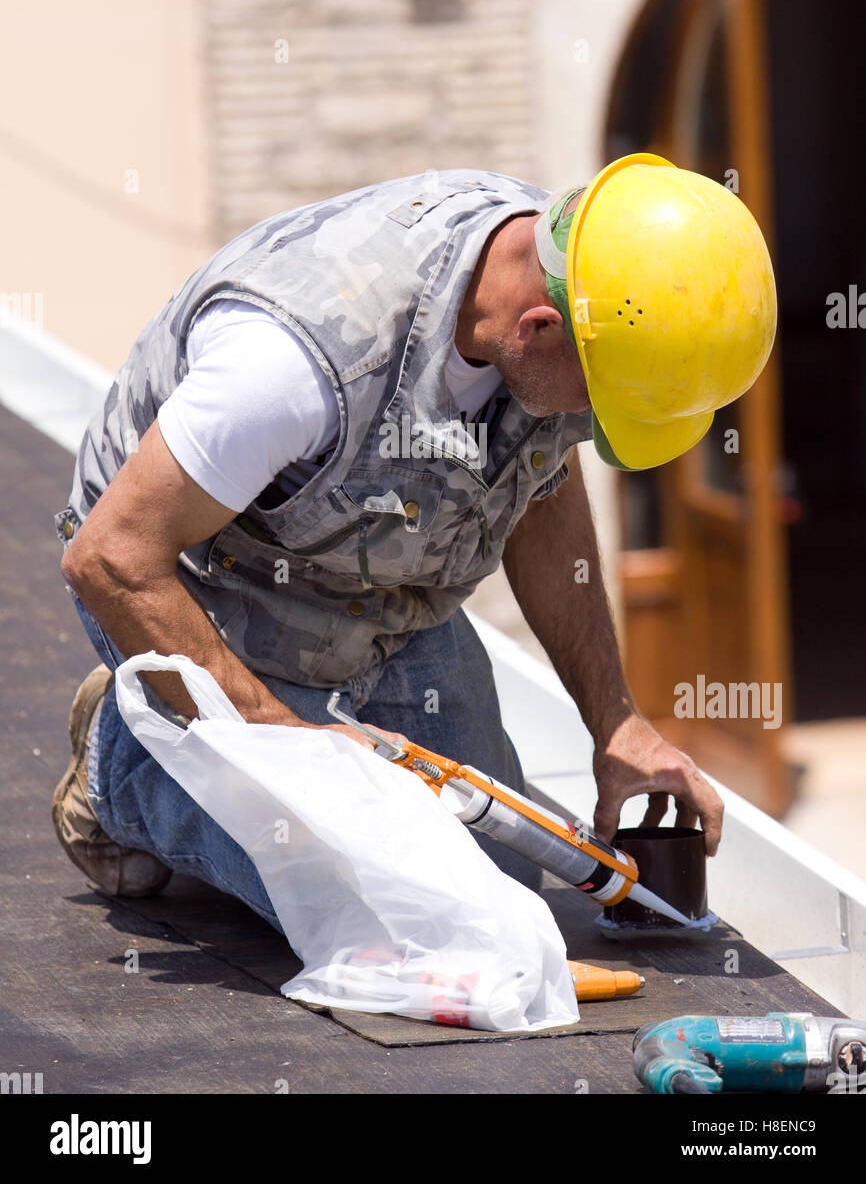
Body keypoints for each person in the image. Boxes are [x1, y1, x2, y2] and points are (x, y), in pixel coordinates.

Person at [51, 154, 777, 928]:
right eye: (596, 404)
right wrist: (292, 746)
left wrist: (617, 723)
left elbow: (541, 487)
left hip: (376, 578)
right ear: (539, 328)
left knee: (492, 883)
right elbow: (111, 558)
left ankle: (221, 745)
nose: (589, 427)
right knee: (373, 899)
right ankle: (122, 754)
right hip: (206, 582)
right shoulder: (292, 365)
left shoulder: (575, 282)